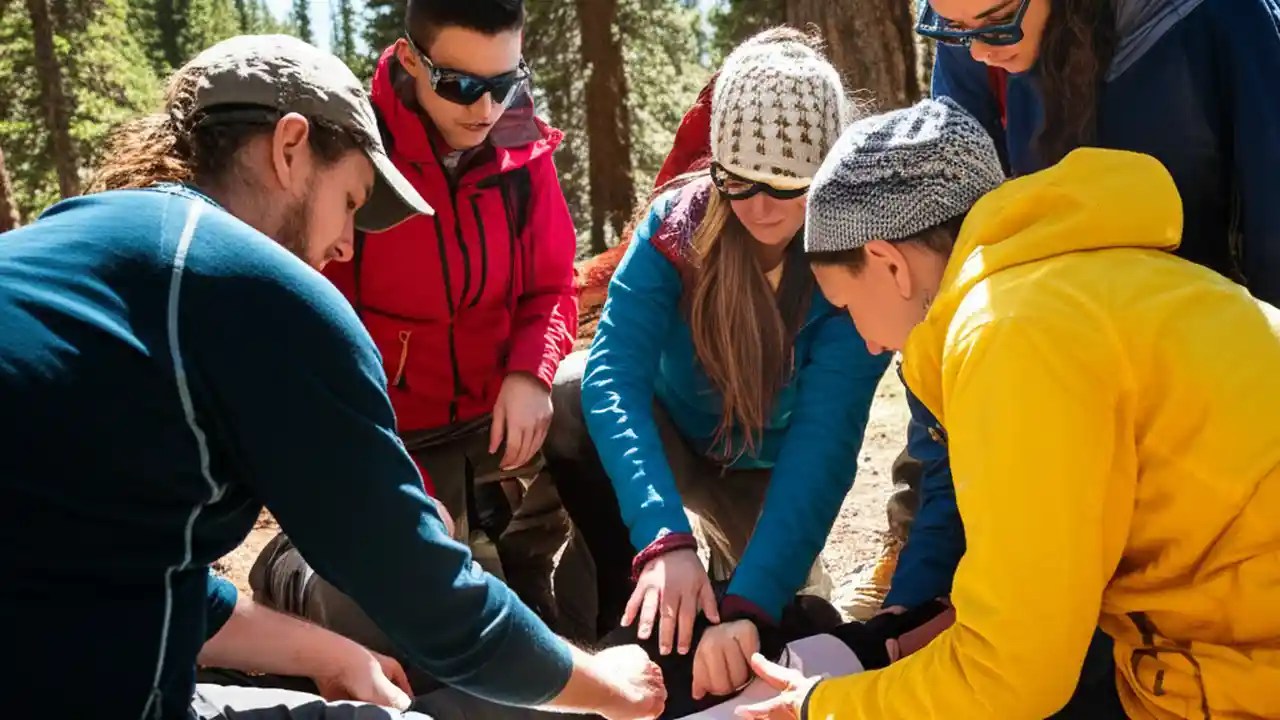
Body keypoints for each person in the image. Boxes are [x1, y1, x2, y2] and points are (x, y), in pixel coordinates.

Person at [0, 34, 665, 720]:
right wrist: (614, 691)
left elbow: (139, 575)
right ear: (290, 148)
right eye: (351, 201)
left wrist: (328, 655)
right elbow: (437, 607)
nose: (348, 245)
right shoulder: (253, 285)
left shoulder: (81, 244)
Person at [739, 97, 1280, 719]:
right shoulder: (1080, 278)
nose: (865, 340)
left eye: (845, 305)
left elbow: (1012, 674)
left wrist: (824, 707)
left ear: (889, 264)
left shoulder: (1007, 333)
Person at [886, 0, 1280, 618]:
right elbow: (953, 279)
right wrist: (918, 590)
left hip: (1200, 396)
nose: (981, 49)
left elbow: (1272, 231)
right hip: (1059, 383)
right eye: (952, 29)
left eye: (995, 21)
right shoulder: (972, 41)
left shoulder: (1218, 19)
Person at [545, 27, 890, 703]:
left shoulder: (855, 262)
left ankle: (746, 587)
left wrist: (752, 605)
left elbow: (825, 444)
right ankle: (621, 612)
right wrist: (662, 536)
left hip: (771, 471)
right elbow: (614, 372)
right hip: (674, 437)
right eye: (738, 179)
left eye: (787, 185)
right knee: (573, 388)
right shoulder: (676, 227)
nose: (759, 206)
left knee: (779, 617)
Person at [251, 0, 580, 647]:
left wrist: (530, 372)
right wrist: (401, 490)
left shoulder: (520, 141)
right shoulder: (353, 152)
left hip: (493, 413)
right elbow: (319, 339)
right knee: (419, 611)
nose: (485, 109)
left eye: (504, 83)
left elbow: (551, 285)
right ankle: (291, 568)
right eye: (461, 85)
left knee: (589, 405)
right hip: (391, 436)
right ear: (409, 59)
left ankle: (540, 571)